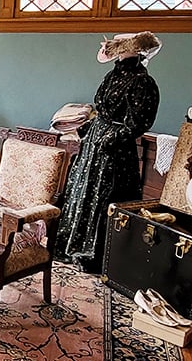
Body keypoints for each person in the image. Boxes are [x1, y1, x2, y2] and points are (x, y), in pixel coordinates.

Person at [55, 32, 161, 273]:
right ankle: (72, 244)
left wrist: (111, 138)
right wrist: (88, 128)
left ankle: (97, 254)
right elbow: (103, 110)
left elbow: (139, 122)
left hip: (114, 150)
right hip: (94, 142)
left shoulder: (142, 82)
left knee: (103, 195)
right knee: (82, 190)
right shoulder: (113, 75)